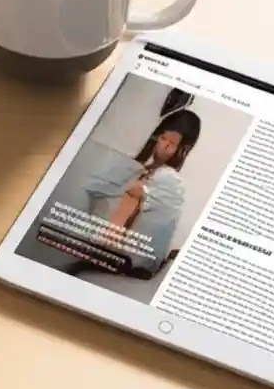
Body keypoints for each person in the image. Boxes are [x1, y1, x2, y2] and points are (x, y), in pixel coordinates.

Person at [81, 109, 202, 278]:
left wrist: (105, 242)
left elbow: (132, 194)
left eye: (171, 143)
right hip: (130, 259)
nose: (162, 146)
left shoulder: (169, 178)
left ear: (183, 149)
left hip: (134, 264)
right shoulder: (145, 170)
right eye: (162, 138)